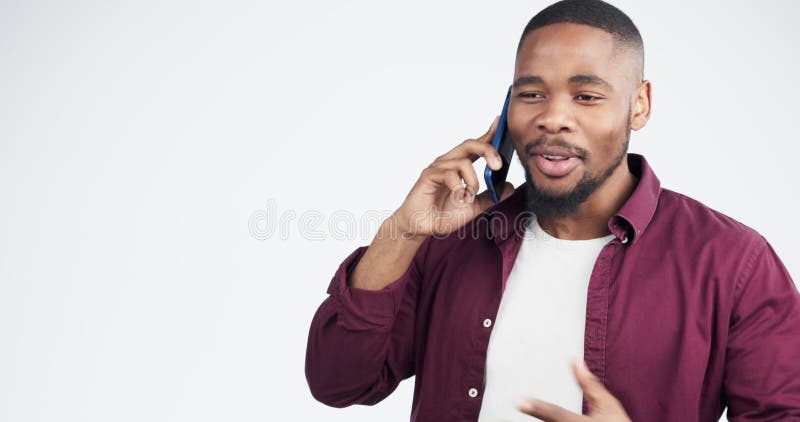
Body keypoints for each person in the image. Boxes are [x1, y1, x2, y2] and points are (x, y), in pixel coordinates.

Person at [304, 0, 800, 420]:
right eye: (531, 94)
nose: (552, 118)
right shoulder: (452, 239)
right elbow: (338, 383)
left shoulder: (736, 264)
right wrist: (403, 234)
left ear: (639, 106)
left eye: (586, 96)